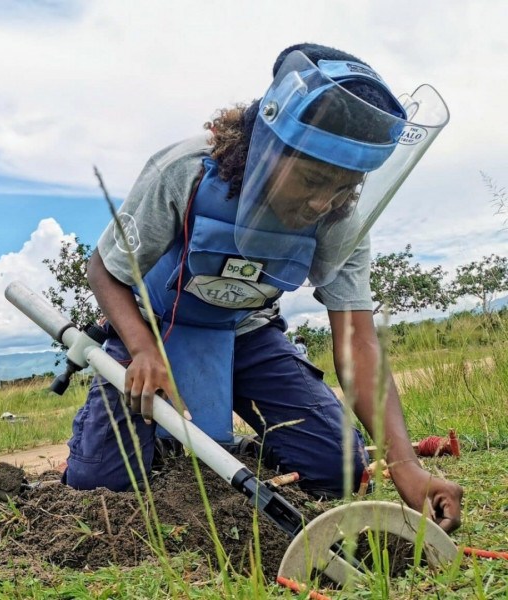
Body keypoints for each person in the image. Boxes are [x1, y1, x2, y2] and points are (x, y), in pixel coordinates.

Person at [62, 43, 463, 532]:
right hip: (151, 328)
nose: (323, 202)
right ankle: (151, 434)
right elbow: (104, 269)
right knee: (104, 484)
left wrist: (407, 467)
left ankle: (246, 445)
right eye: (313, 179)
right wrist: (142, 349)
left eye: (344, 185)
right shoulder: (184, 172)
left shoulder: (340, 217)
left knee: (339, 471)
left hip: (247, 330)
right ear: (267, 147)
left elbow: (358, 342)